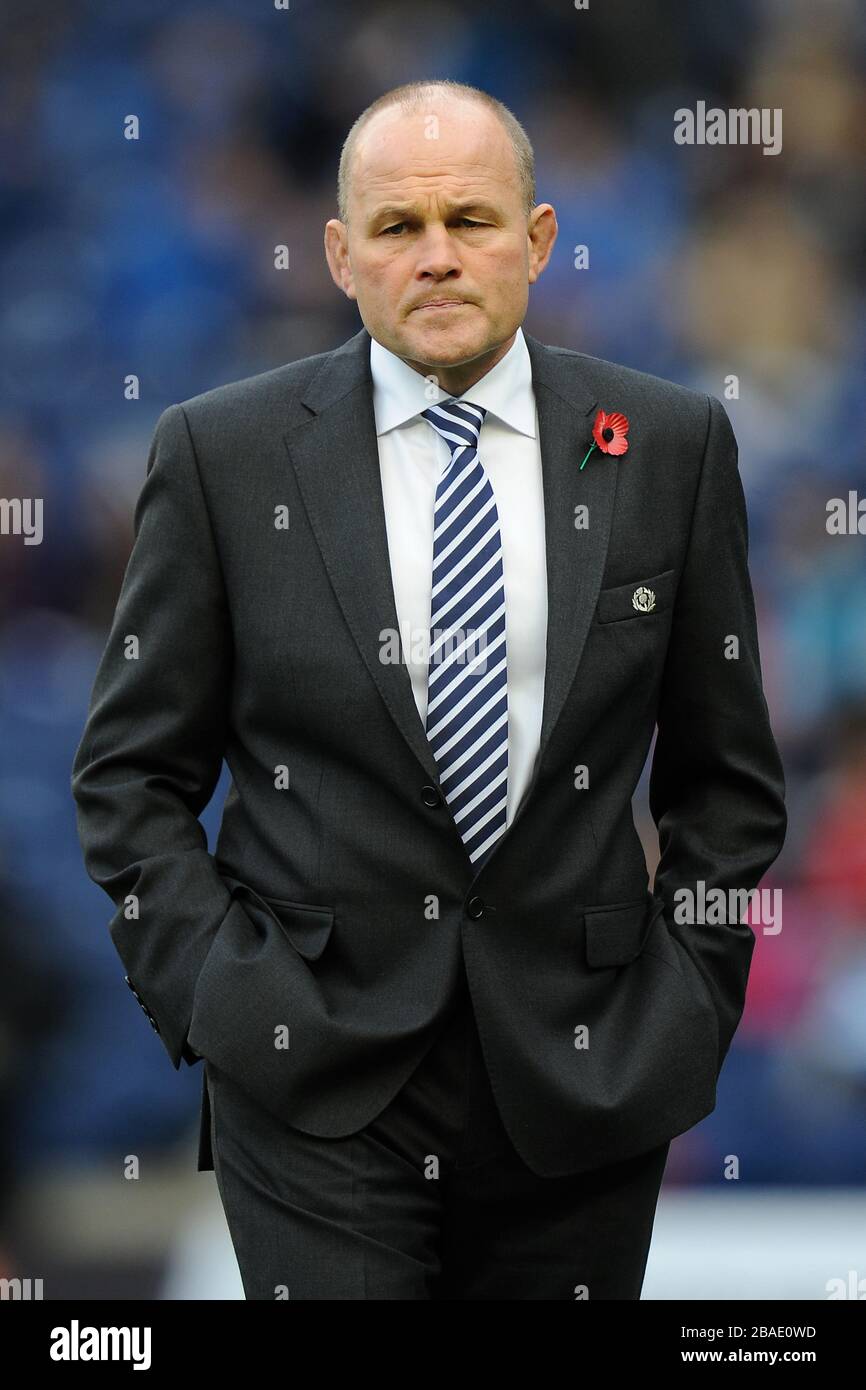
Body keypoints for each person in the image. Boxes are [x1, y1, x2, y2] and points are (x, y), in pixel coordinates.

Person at [71, 79, 787, 1300]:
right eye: (400, 229)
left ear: (539, 240)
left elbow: (728, 787)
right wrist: (224, 1002)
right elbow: (129, 778)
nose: (439, 256)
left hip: (583, 1076)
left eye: (472, 219)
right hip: (311, 1081)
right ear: (341, 257)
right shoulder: (220, 455)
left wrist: (684, 1009)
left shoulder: (666, 445)